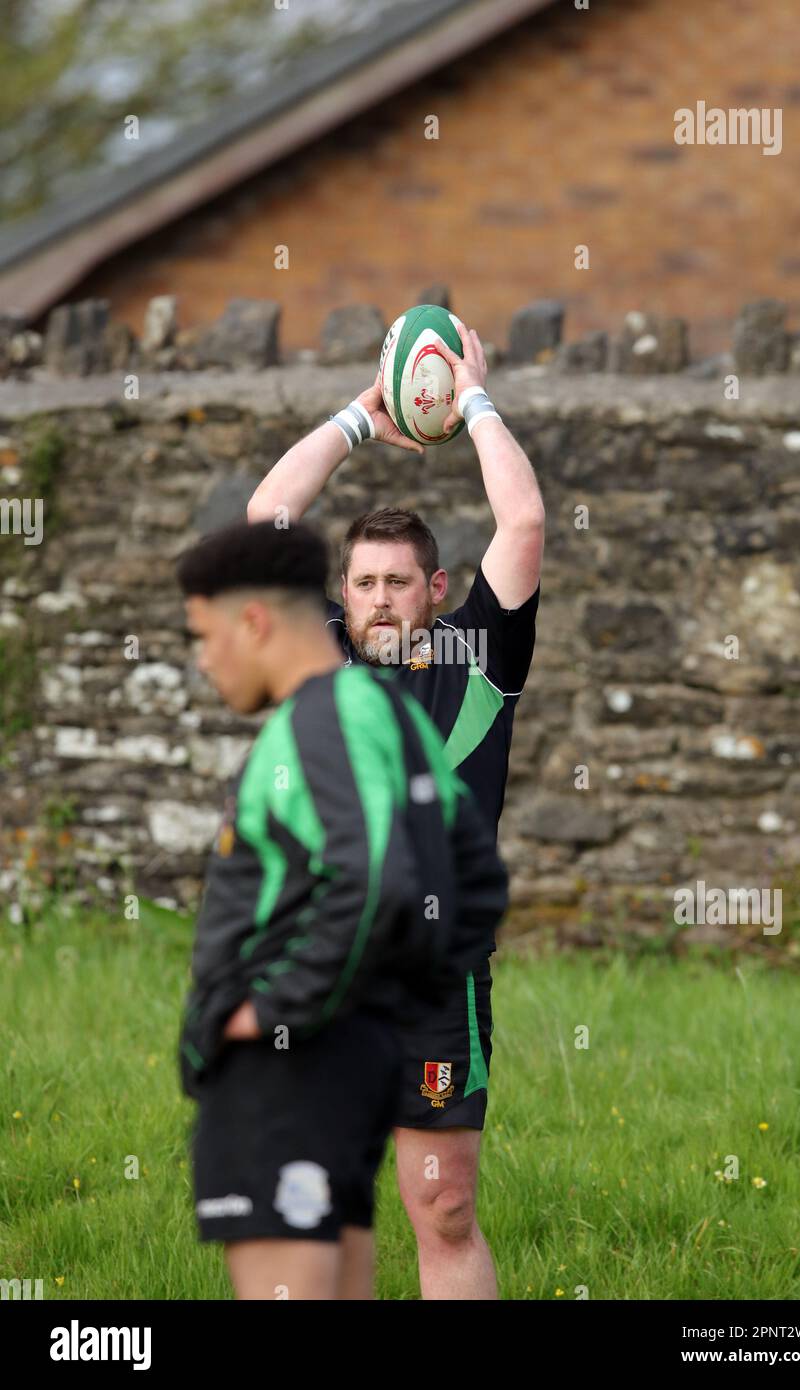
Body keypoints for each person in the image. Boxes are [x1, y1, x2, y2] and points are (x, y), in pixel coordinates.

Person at [246, 320, 545, 1299]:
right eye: (363, 583)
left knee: (442, 1209)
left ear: (436, 592)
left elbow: (525, 524)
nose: (379, 600)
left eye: (398, 584)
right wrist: (361, 417)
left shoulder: (478, 661)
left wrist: (474, 401)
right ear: (342, 593)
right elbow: (268, 513)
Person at [175, 518, 508, 1300]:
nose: (202, 657)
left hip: (280, 1066)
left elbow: (378, 883)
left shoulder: (325, 724)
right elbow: (475, 881)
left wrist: (268, 1009)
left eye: (204, 633)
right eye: (364, 583)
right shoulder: (379, 714)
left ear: (253, 623)